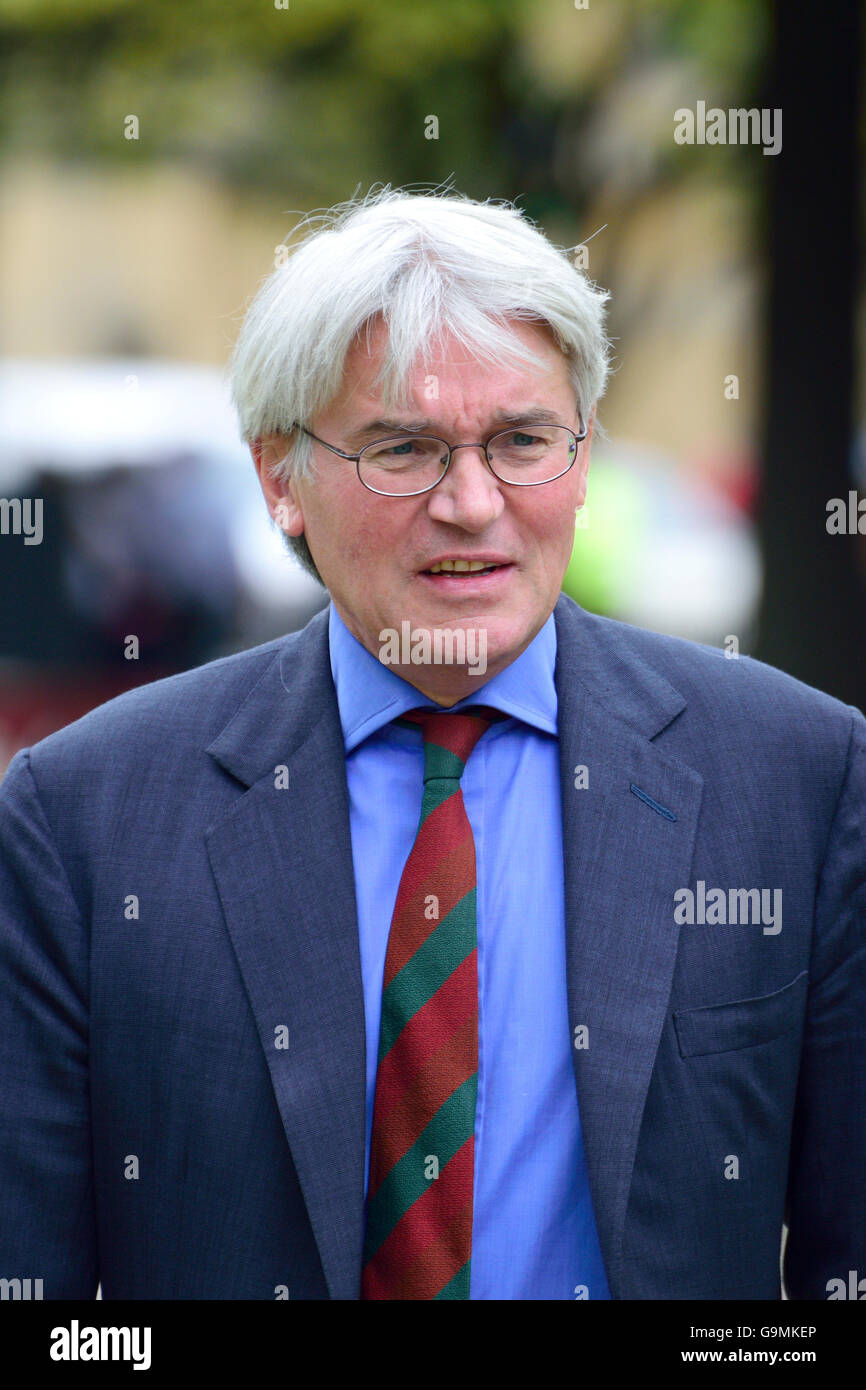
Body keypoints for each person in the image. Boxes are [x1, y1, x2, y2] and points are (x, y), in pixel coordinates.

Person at [0, 189, 863, 1301]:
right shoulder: (85, 816)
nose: (470, 502)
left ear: (584, 454)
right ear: (280, 479)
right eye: (402, 448)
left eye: (520, 441)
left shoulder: (797, 781)